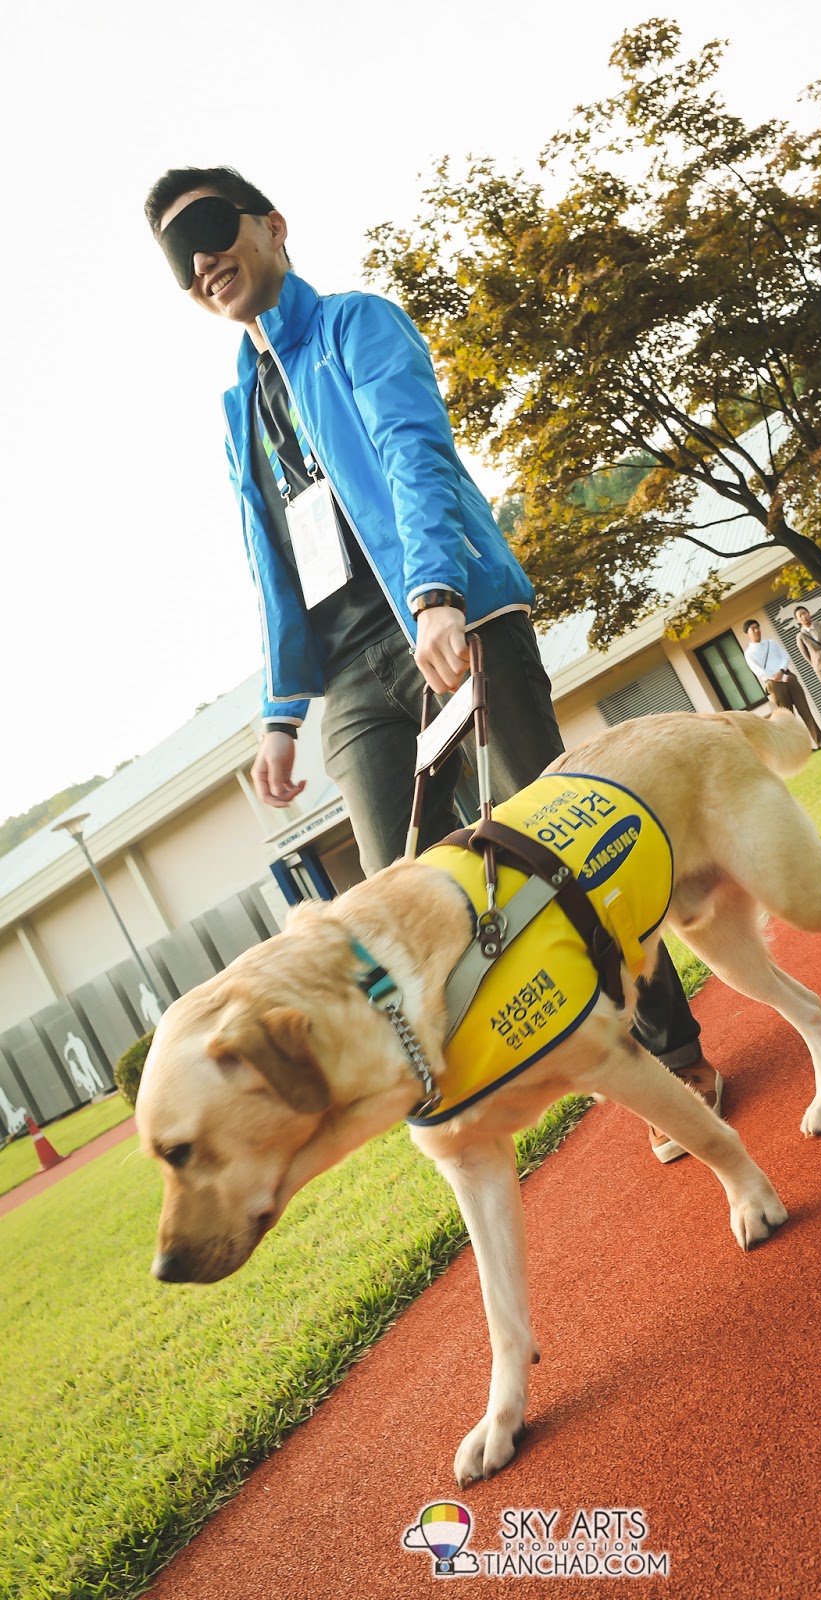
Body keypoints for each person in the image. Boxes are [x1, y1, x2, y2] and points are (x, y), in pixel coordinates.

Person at [144, 165, 720, 1163]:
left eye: (209, 230)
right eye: (176, 256)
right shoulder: (239, 409)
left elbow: (415, 453)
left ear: (272, 225)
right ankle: (537, 1058)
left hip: (451, 612)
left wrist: (438, 595)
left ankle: (677, 1052)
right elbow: (269, 564)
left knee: (555, 841)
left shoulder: (355, 327)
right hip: (359, 669)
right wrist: (282, 716)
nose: (199, 263)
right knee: (399, 881)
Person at [742, 620, 821, 749]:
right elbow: (758, 670)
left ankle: (819, 741)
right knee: (788, 718)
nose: (756, 631)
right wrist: (775, 676)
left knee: (805, 711)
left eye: (757, 627)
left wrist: (781, 671)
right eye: (752, 629)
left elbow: (785, 657)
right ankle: (801, 749)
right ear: (747, 633)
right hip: (773, 684)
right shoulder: (749, 653)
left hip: (788, 677)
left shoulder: (771, 643)